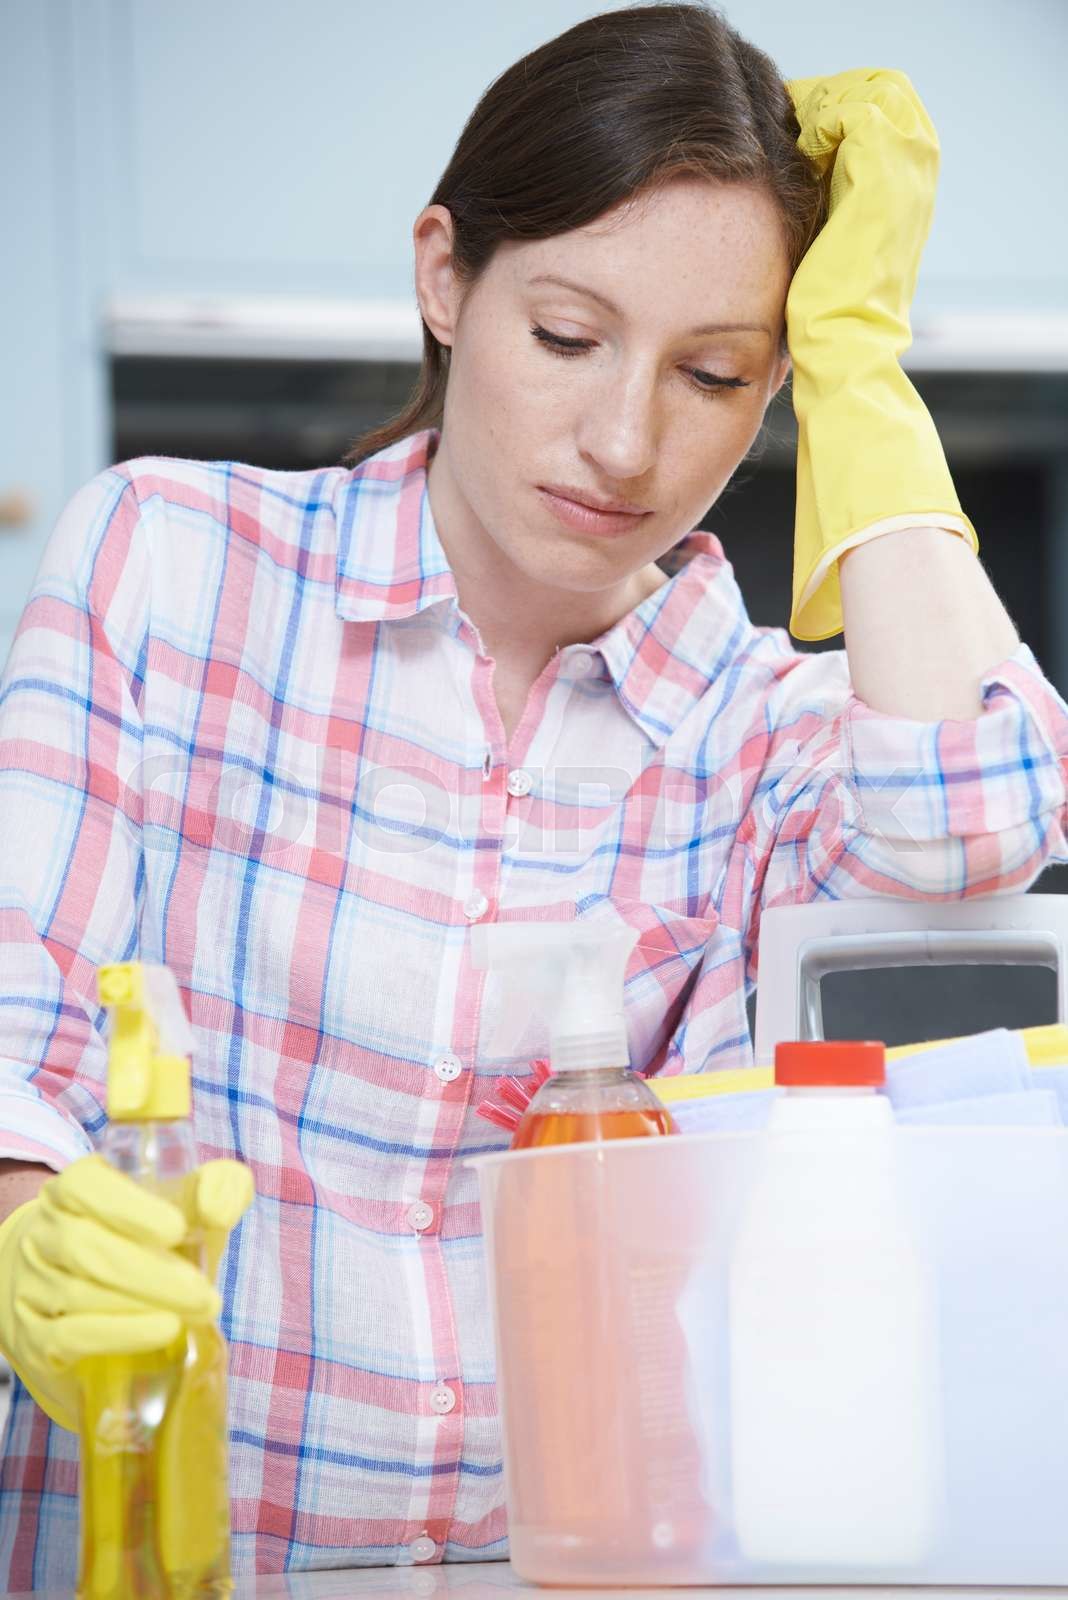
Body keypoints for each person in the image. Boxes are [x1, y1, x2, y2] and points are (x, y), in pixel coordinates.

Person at [0, 1, 1066, 1586]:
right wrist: (30, 1235)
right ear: (446, 278)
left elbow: (980, 816)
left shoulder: (758, 724)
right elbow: (23, 1048)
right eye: (568, 338)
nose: (625, 440)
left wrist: (864, 373)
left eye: (715, 373)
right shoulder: (170, 562)